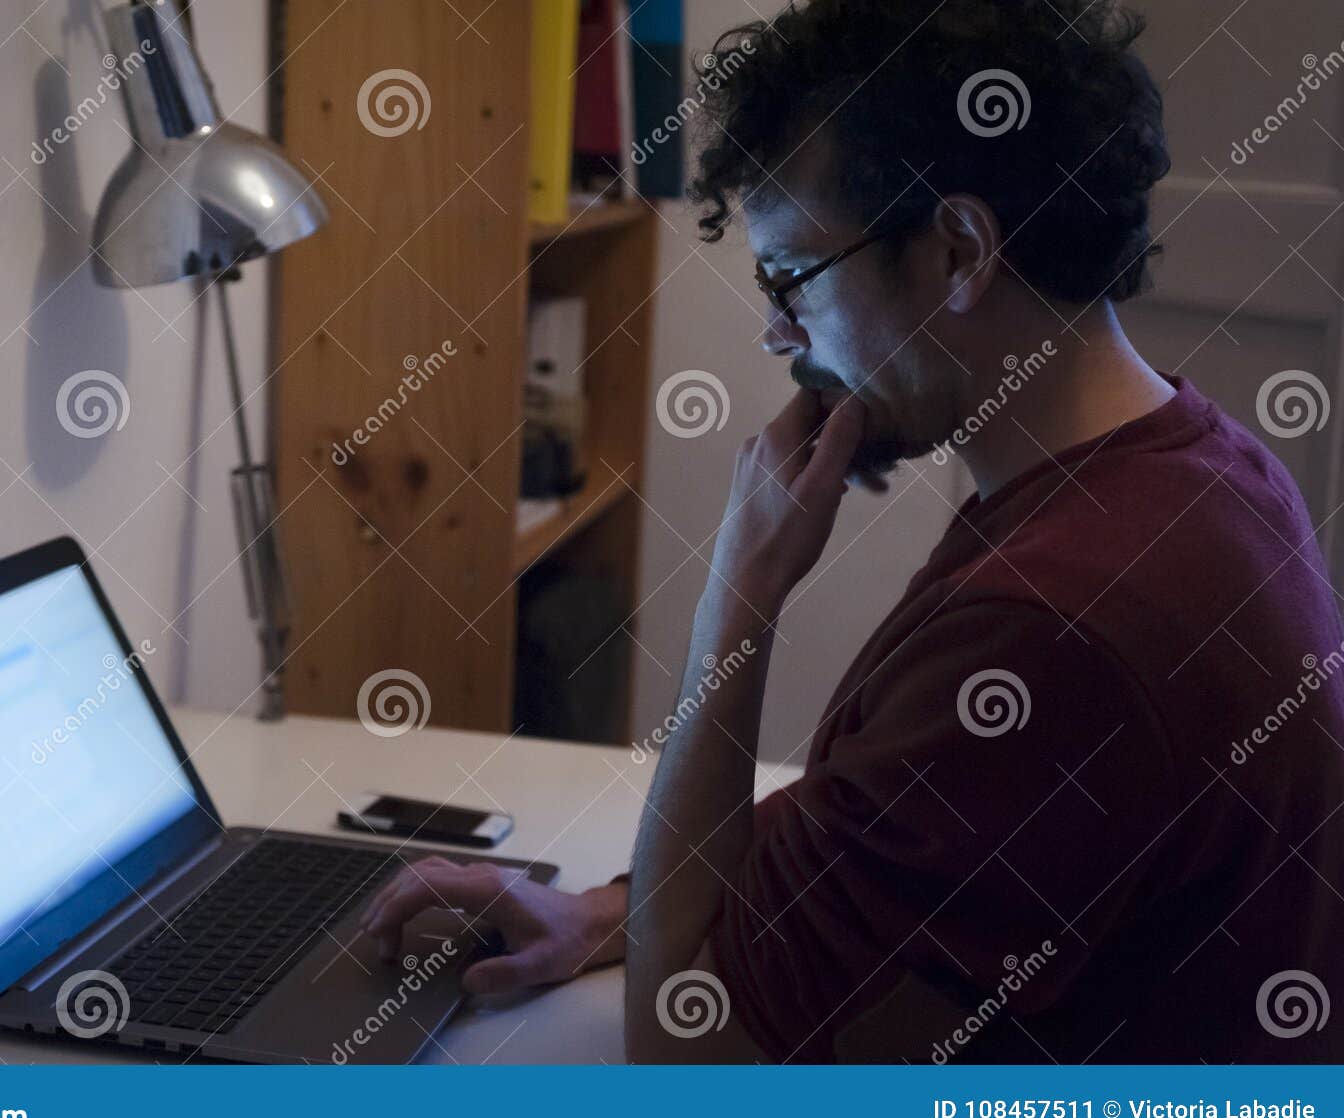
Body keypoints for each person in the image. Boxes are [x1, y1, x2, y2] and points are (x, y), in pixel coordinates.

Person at [360, 0, 1344, 1063]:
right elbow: (876, 832)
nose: (779, 330)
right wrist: (599, 915)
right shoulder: (1203, 468)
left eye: (790, 277)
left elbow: (688, 1059)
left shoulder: (1053, 622)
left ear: (960, 249)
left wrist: (735, 600)